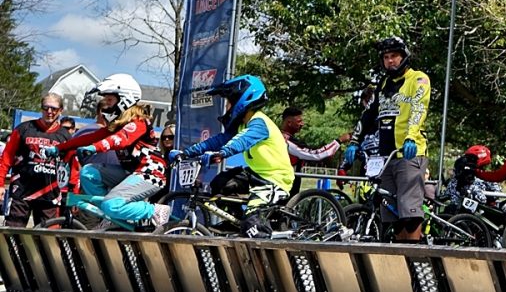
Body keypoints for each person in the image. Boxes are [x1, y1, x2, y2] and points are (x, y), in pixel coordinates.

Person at [173, 75, 294, 238]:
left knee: (252, 220)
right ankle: (234, 220)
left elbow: (240, 142)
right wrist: (186, 152)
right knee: (220, 183)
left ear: (242, 99)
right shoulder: (243, 123)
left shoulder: (259, 122)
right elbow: (217, 140)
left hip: (275, 179)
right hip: (254, 174)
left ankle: (264, 244)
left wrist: (222, 154)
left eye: (229, 102)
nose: (227, 107)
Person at [42, 75, 171, 228]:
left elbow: (121, 139)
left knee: (112, 204)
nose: (107, 105)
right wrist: (59, 148)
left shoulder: (139, 121)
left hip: (150, 174)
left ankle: (154, 210)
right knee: (89, 172)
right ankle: (111, 219)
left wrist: (94, 148)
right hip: (130, 172)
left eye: (110, 100)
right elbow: (90, 137)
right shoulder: (117, 124)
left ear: (125, 99)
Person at [343, 37, 431, 242]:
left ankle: (415, 259)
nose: (389, 61)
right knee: (393, 216)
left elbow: (419, 109)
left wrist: (410, 137)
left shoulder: (418, 79)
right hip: (386, 156)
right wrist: (355, 141)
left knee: (410, 214)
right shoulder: (382, 85)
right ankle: (400, 258)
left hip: (409, 152)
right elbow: (368, 115)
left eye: (394, 56)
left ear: (404, 57)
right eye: (386, 57)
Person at [0, 93, 71, 226]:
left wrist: (73, 193)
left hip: (50, 194)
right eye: (46, 107)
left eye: (54, 108)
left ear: (60, 110)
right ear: (41, 108)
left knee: (49, 240)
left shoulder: (65, 136)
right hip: (21, 192)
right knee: (12, 233)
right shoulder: (24, 129)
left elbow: (72, 166)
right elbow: (6, 157)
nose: (49, 112)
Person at [279, 107, 340, 195]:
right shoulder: (287, 141)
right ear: (289, 122)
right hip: (284, 186)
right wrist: (338, 141)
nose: (302, 124)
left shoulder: (282, 136)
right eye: (299, 121)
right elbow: (315, 154)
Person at [446, 145, 502, 212]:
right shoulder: (457, 179)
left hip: (480, 211)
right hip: (460, 210)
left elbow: (496, 193)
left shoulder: (484, 177)